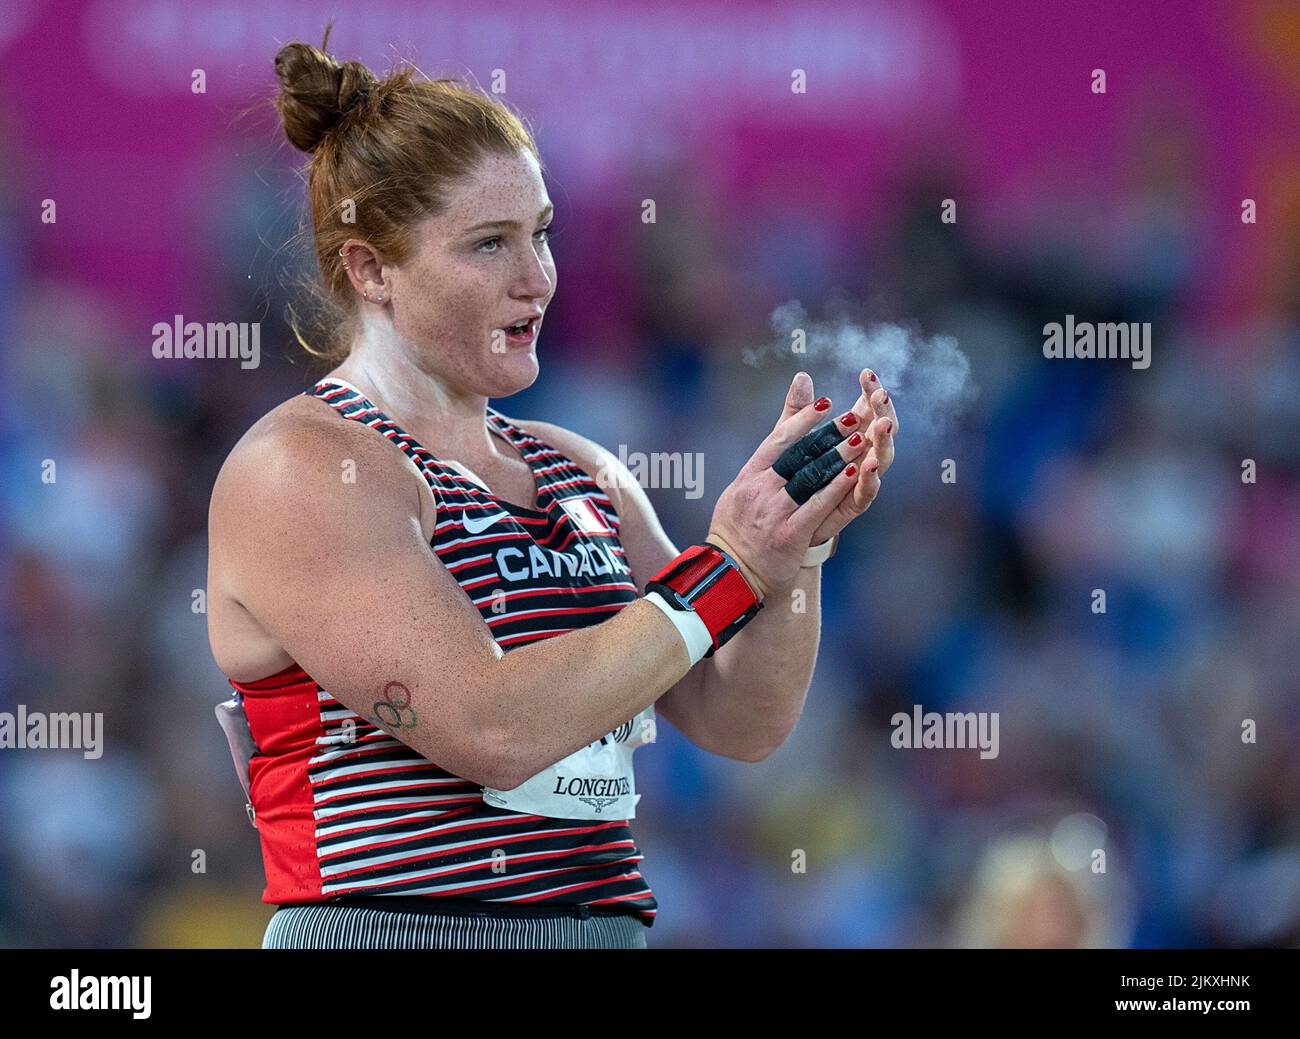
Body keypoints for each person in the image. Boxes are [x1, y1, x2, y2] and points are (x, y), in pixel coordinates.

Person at [205, 33, 899, 950]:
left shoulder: (582, 469)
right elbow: (490, 724)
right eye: (489, 244)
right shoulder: (303, 465)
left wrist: (792, 546)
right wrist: (728, 567)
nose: (537, 278)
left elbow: (738, 719)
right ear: (372, 270)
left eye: (541, 232)